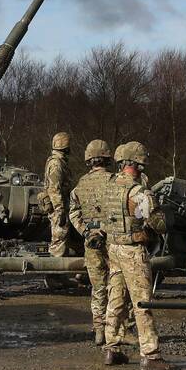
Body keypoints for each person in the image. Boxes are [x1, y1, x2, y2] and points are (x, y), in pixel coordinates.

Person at [101, 141, 170, 370]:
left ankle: (112, 348)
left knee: (116, 299)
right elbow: (158, 223)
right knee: (142, 302)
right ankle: (150, 354)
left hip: (113, 249)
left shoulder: (109, 187)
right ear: (137, 163)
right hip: (132, 251)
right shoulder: (138, 191)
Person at [67, 139, 114, 346]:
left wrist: (86, 232)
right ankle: (117, 329)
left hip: (91, 241)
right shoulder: (115, 181)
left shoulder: (80, 184)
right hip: (113, 241)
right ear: (107, 158)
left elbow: (73, 213)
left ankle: (98, 329)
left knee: (98, 287)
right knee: (117, 285)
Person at [42, 132, 72, 257]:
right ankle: (56, 274)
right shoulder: (57, 163)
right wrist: (60, 210)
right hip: (58, 208)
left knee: (62, 241)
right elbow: (54, 189)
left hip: (59, 206)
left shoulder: (58, 161)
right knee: (58, 242)